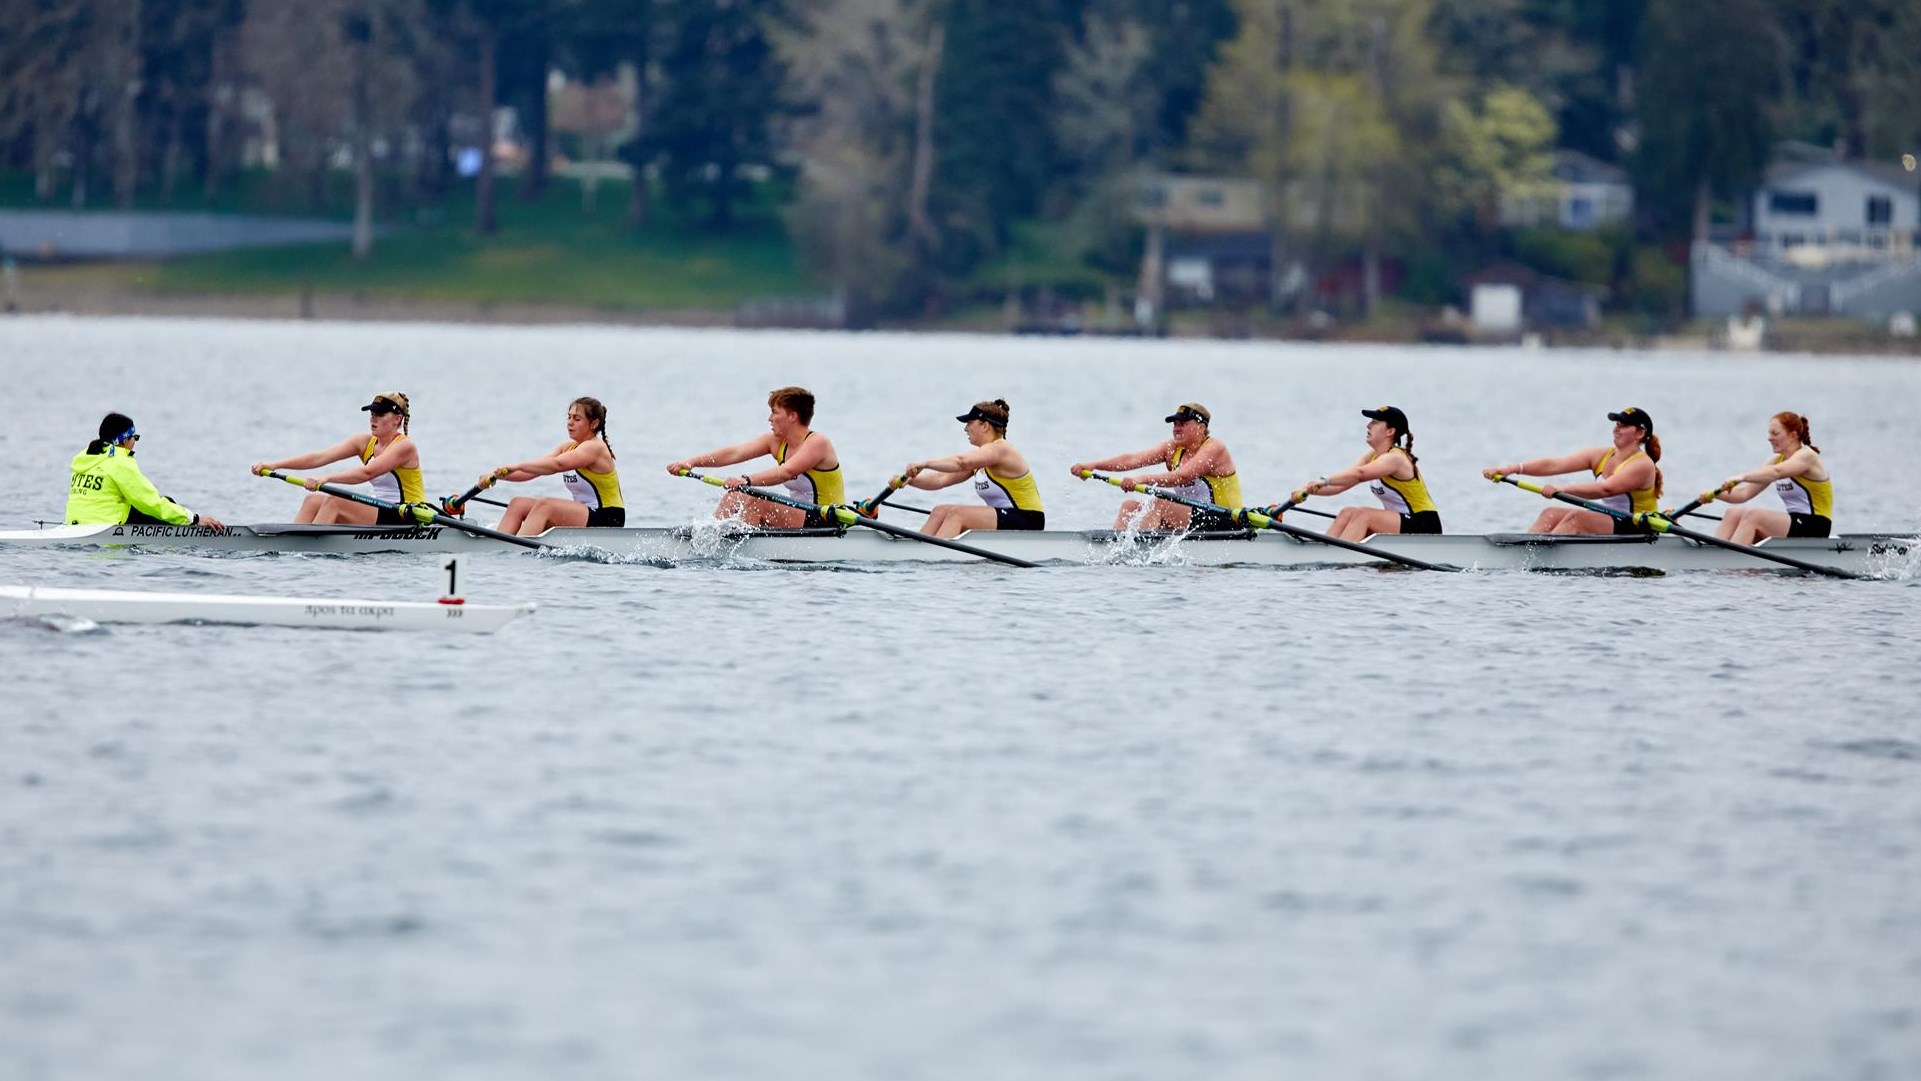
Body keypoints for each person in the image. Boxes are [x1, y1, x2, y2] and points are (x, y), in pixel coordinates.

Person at [665, 386, 844, 528]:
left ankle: (737, 548)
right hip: (797, 514)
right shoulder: (775, 442)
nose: (769, 418)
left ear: (792, 416)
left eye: (775, 412)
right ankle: (711, 534)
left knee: (758, 502)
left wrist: (746, 480)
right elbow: (734, 453)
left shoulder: (818, 442)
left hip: (825, 518)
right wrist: (691, 462)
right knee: (734, 495)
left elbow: (787, 471)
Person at [1482, 407, 1663, 535]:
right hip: (1612, 520)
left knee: (1577, 518)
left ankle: (1541, 560)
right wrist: (1511, 468)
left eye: (1623, 425)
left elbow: (1606, 489)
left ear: (1639, 433)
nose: (1617, 428)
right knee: (1549, 513)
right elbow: (1554, 464)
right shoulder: (1601, 455)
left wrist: (1563, 489)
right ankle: (1524, 554)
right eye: (1616, 424)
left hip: (1636, 526)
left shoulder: (1642, 464)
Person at [250, 392, 424, 525]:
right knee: (312, 501)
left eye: (379, 415)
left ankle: (308, 552)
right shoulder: (364, 442)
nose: (373, 419)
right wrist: (275, 465)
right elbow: (319, 457)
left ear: (397, 419)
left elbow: (367, 472)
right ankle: (290, 551)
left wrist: (326, 478)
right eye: (372, 414)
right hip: (379, 510)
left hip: (407, 514)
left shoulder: (405, 446)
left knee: (334, 502)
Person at [1069, 402, 1242, 531]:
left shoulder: (1215, 447)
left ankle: (1144, 556)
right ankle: (1117, 550)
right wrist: (1093, 465)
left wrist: (1140, 480)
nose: (1177, 428)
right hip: (1194, 518)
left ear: (1201, 427)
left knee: (1159, 503)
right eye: (1175, 424)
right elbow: (1132, 459)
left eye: (1183, 423)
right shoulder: (1173, 448)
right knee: (1129, 506)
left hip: (1225, 518)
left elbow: (1183, 476)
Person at [889, 399, 1045, 538]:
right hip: (1005, 517)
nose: (965, 429)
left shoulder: (1001, 449)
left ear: (985, 426)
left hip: (1028, 519)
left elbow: (962, 462)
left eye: (970, 423)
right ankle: (917, 548)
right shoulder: (981, 459)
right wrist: (909, 480)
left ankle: (932, 554)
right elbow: (940, 479)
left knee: (958, 514)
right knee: (940, 510)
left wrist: (924, 463)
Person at [1281, 406, 1441, 539]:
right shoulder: (1372, 456)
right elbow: (1340, 486)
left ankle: (1337, 557)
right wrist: (1307, 490)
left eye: (1375, 422)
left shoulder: (1396, 459)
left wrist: (1324, 480)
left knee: (1363, 515)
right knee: (1347, 512)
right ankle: (1323, 553)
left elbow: (1360, 474)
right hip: (1401, 522)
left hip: (1424, 524)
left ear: (1390, 431)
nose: (1368, 425)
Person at [477, 397, 625, 536]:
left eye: (577, 418)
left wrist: (517, 465)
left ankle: (517, 544)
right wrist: (494, 476)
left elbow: (556, 465)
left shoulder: (595, 448)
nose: (570, 422)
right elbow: (531, 472)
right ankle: (498, 546)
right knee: (518, 504)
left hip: (608, 518)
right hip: (586, 515)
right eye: (569, 417)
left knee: (546, 505)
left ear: (594, 424)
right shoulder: (567, 447)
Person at [66, 412, 225, 529]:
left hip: (74, 524)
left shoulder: (85, 457)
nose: (135, 441)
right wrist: (195, 519)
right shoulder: (120, 461)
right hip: (107, 528)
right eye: (134, 437)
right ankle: (193, 532)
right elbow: (150, 502)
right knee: (167, 502)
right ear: (125, 439)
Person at [1701, 411, 1832, 542]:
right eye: (1769, 433)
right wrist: (1713, 494)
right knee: (1732, 513)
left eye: (1775, 433)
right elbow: (1743, 493)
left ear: (1793, 436)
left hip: (1816, 526)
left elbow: (1777, 472)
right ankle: (1714, 555)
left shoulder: (1807, 456)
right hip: (1795, 523)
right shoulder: (1776, 460)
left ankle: (1730, 559)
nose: (1769, 438)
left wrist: (1741, 477)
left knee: (1754, 516)